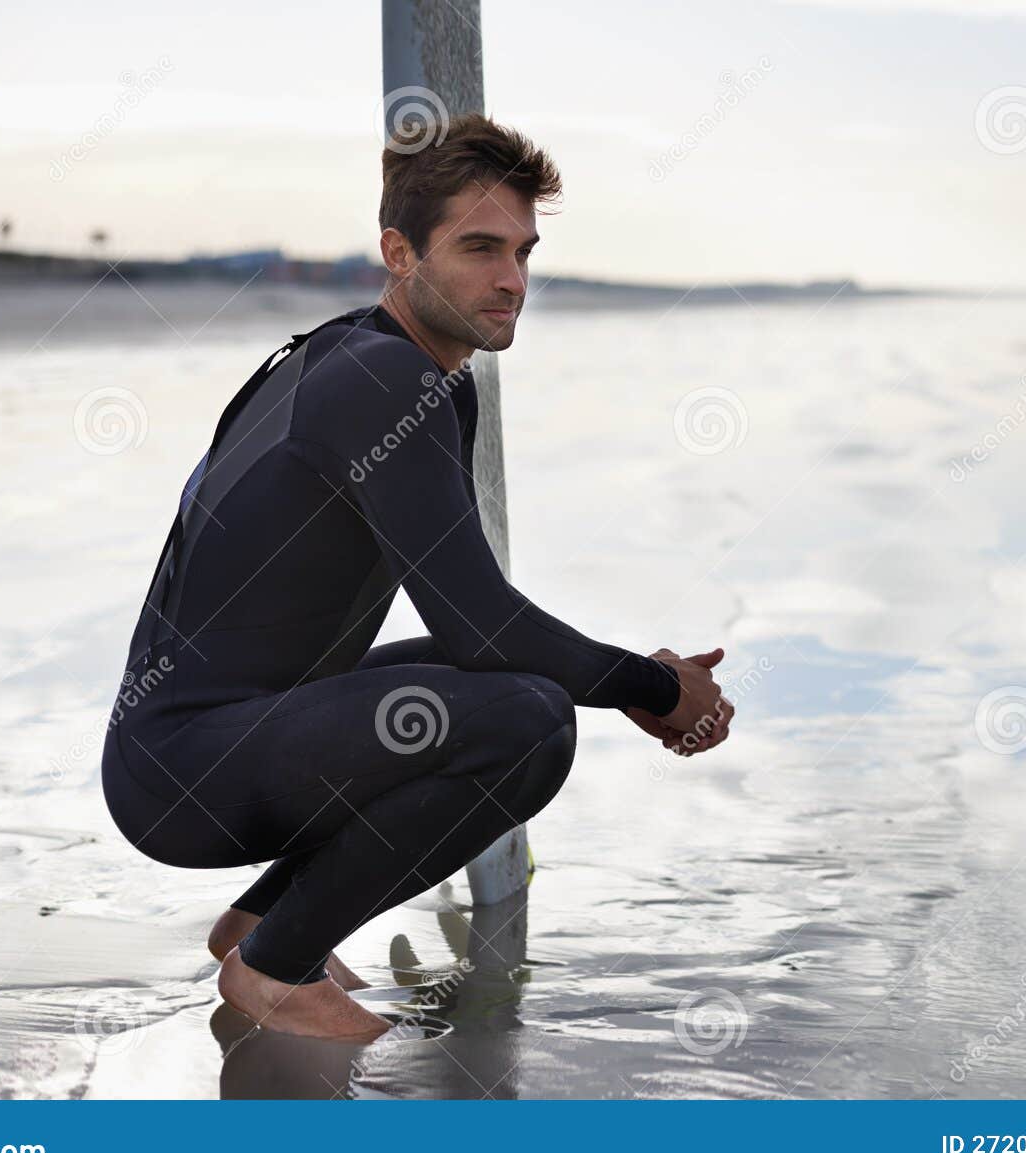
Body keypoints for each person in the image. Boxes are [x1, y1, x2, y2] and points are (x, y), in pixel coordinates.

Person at [100, 113, 733, 1040]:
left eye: (523, 251)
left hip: (219, 741)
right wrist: (652, 687)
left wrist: (640, 678)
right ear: (400, 252)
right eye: (479, 248)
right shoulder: (382, 380)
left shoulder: (401, 368)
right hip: (187, 773)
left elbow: (471, 624)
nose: (511, 280)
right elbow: (486, 623)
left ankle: (264, 923)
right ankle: (274, 971)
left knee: (492, 684)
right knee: (526, 720)